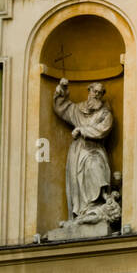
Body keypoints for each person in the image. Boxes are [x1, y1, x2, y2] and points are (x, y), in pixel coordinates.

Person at [53, 79, 114, 221]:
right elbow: (62, 108)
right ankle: (82, 211)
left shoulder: (105, 114)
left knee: (95, 168)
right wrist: (62, 89)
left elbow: (102, 130)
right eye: (95, 91)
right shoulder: (77, 109)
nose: (97, 95)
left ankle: (97, 205)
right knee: (79, 181)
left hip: (95, 150)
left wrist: (82, 130)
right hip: (78, 152)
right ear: (89, 91)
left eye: (100, 93)